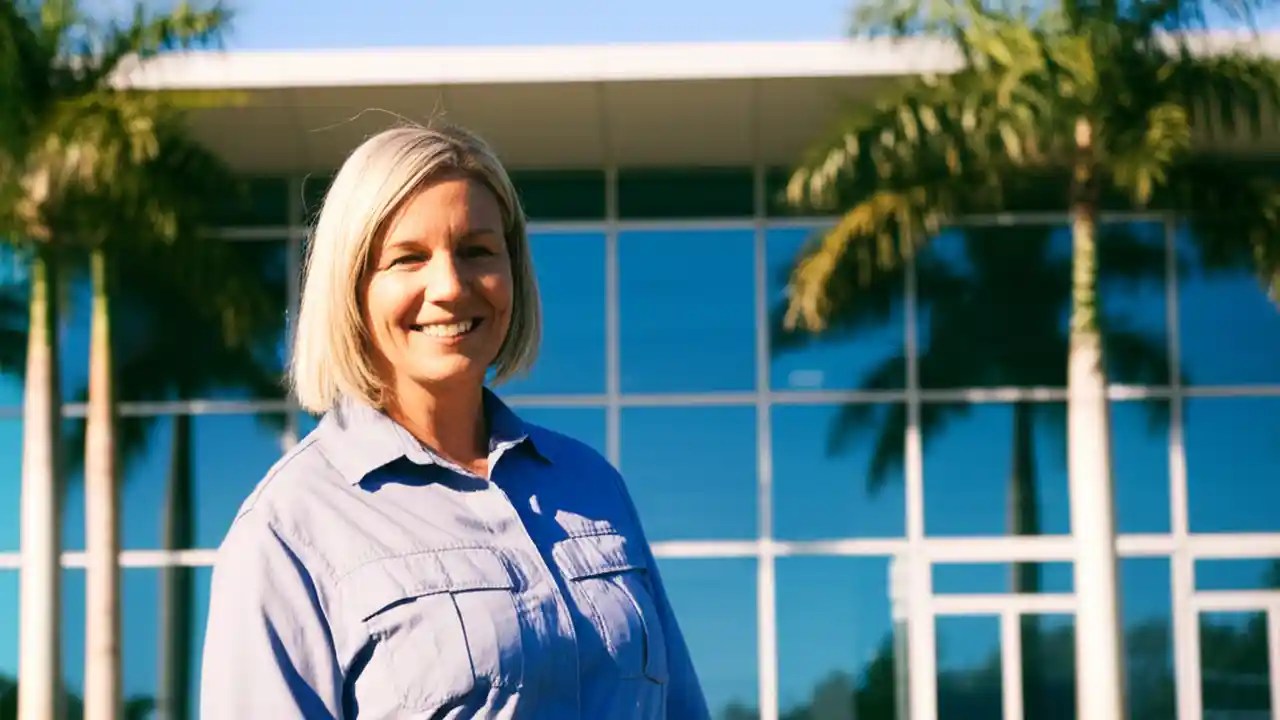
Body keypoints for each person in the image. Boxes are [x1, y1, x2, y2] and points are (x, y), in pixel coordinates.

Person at [199, 123, 711, 719]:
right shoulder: (289, 529)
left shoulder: (592, 486)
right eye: (407, 258)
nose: (449, 286)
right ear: (351, 289)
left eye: (476, 252)